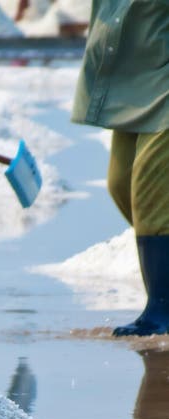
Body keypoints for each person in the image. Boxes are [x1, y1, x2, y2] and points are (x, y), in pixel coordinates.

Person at [72, 1, 169, 336]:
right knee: (121, 183)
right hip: (133, 78)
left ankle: (161, 309)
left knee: (151, 193)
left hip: (165, 74)